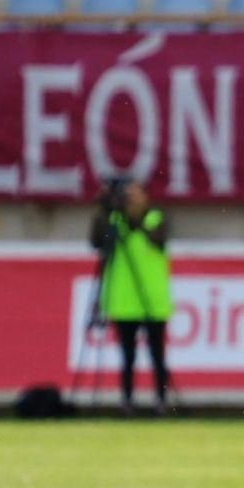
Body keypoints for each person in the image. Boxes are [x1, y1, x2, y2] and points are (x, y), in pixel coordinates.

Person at [89, 176, 173, 415]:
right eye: (127, 195)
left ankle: (161, 400)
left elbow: (157, 239)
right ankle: (127, 401)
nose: (131, 199)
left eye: (135, 194)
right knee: (127, 356)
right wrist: (103, 209)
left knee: (157, 354)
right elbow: (97, 242)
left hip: (152, 300)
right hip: (124, 300)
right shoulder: (114, 220)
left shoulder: (157, 217)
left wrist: (132, 217)